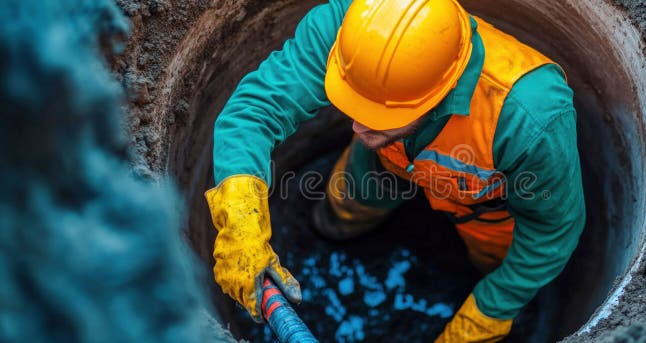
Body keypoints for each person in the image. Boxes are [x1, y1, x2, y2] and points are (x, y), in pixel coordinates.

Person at [204, 0, 586, 341]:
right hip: (387, 161)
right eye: (357, 107)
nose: (355, 126)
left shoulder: (530, 120)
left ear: (439, 97)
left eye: (379, 117)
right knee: (343, 206)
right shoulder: (353, 36)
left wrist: (491, 310)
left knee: (492, 267)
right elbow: (252, 114)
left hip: (485, 206)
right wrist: (240, 223)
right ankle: (332, 229)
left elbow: (551, 229)